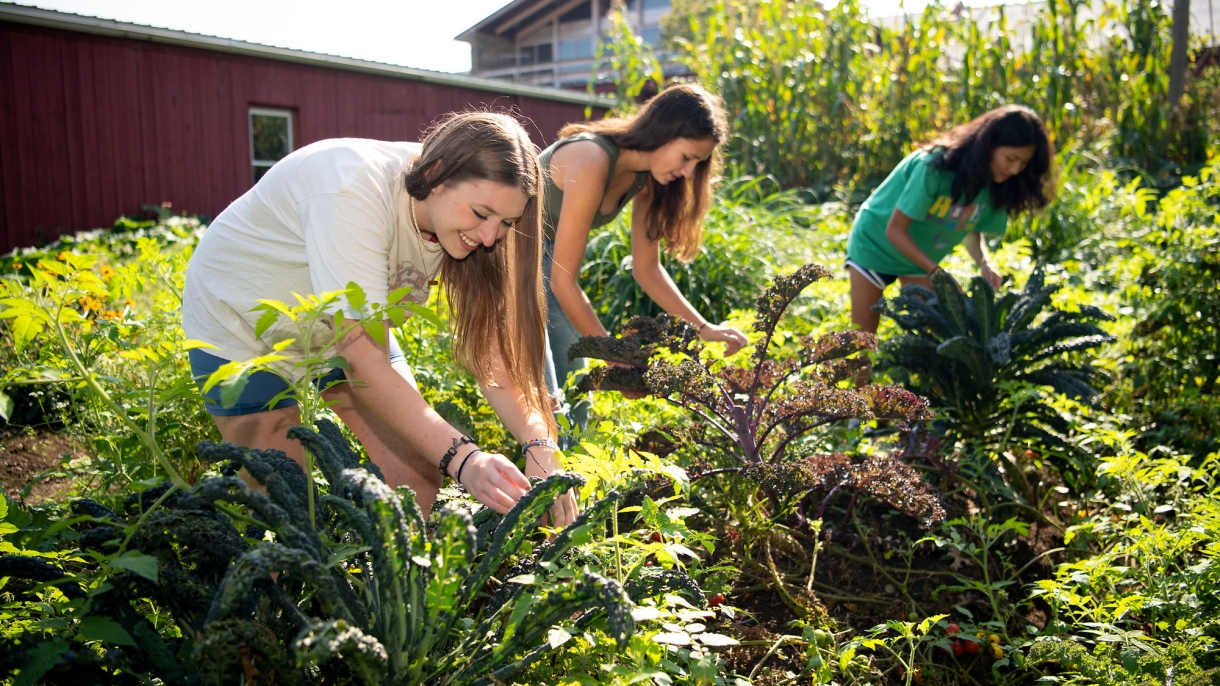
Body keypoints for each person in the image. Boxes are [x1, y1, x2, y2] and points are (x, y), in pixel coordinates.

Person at [182, 112, 576, 525]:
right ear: (437, 174)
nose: (492, 236)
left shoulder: (476, 226)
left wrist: (540, 445)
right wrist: (466, 460)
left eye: (506, 223)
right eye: (481, 214)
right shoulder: (352, 189)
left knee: (414, 478)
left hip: (342, 331)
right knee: (283, 501)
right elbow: (362, 360)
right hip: (242, 326)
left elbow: (495, 358)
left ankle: (385, 589)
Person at [541, 83, 749, 421]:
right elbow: (563, 282)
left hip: (547, 271)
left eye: (698, 163)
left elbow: (647, 269)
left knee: (576, 407)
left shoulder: (645, 178)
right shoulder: (593, 159)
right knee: (545, 405)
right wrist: (615, 356)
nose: (688, 172)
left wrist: (702, 327)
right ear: (664, 132)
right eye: (687, 157)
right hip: (506, 261)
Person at [846, 105, 1055, 339]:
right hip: (875, 246)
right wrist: (938, 274)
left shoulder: (996, 181)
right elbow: (894, 231)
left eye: (1023, 164)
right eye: (1011, 158)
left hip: (918, 259)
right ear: (989, 145)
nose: (1015, 169)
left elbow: (969, 227)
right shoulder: (934, 166)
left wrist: (985, 263)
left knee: (932, 336)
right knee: (862, 339)